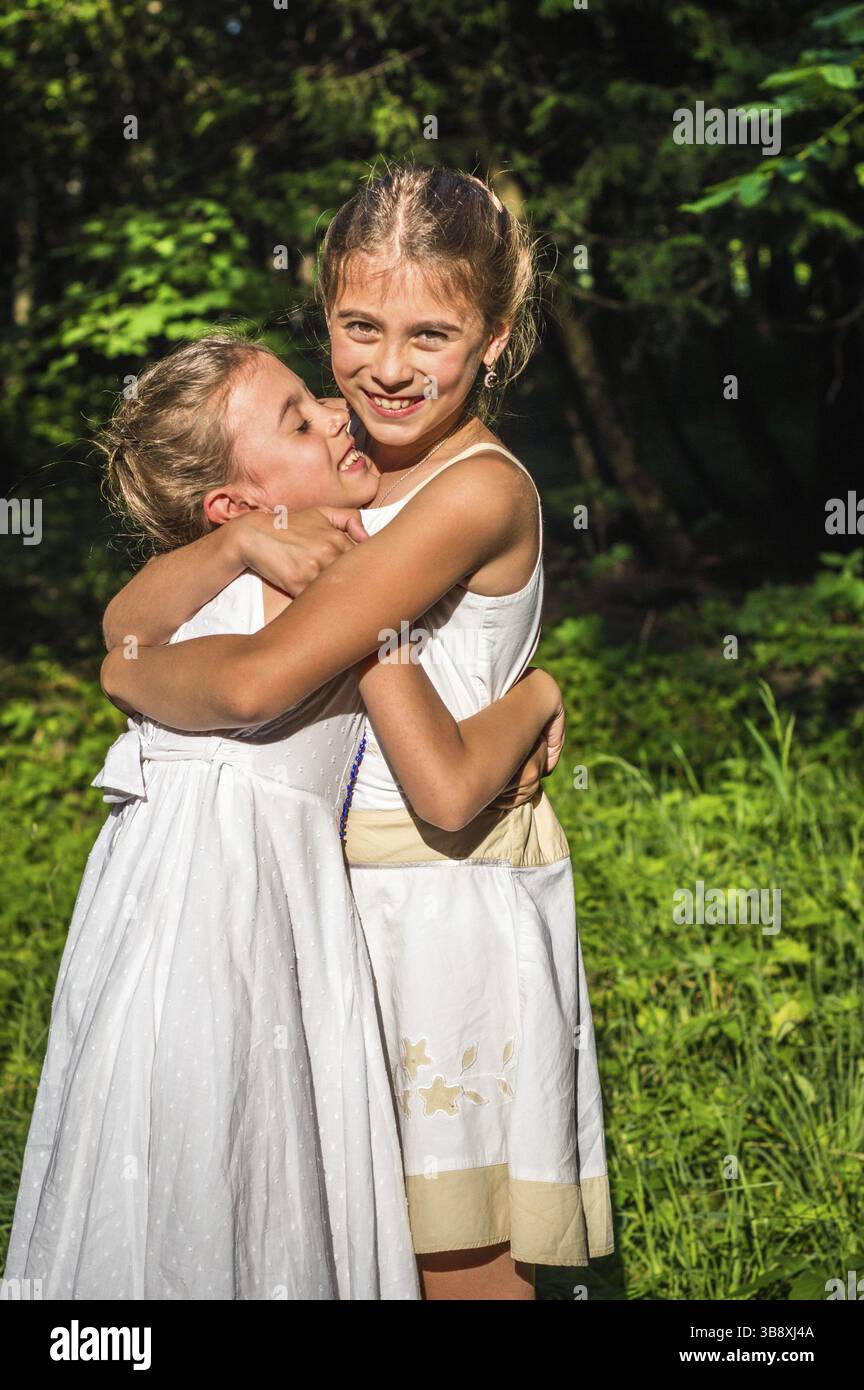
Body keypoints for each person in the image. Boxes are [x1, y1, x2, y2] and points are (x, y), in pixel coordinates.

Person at [101, 162, 615, 1301]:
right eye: (357, 326)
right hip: (343, 905)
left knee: (457, 1260)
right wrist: (229, 553)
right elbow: (128, 636)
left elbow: (265, 685)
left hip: (439, 911)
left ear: (495, 335)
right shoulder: (340, 473)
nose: (387, 367)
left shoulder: (474, 494)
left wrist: (533, 695)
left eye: (432, 332)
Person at [4, 334, 564, 1301]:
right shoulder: (304, 567)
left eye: (315, 399)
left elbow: (128, 642)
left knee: (196, 1169)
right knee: (225, 1154)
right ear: (235, 506)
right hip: (213, 915)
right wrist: (542, 690)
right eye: (297, 421)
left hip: (191, 907)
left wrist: (137, 653)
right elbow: (202, 669)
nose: (336, 413)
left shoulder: (321, 567)